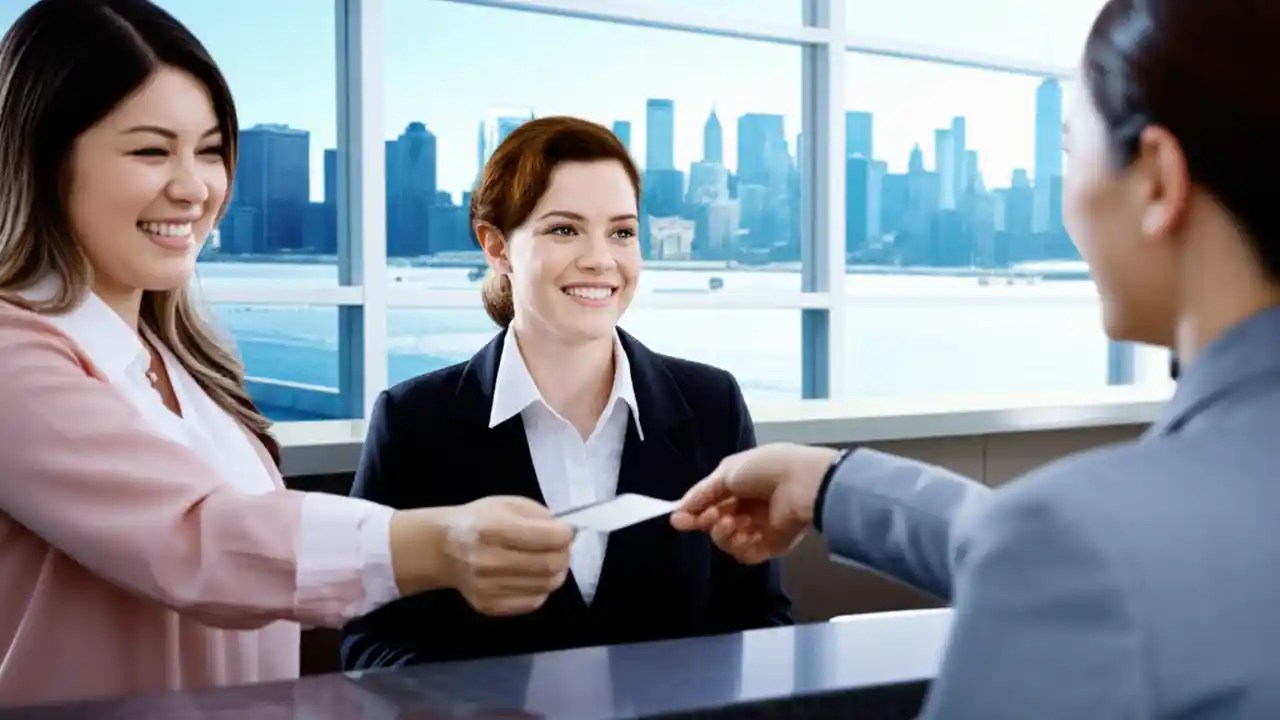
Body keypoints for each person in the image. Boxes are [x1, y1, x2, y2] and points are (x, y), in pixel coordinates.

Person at [673, 0, 1280, 717]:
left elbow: (1093, 563)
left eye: (1067, 150)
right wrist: (836, 484)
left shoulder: (1092, 548)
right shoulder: (1127, 538)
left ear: (1155, 178)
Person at [0, 0, 573, 707]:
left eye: (210, 150)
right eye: (151, 149)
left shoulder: (181, 362)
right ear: (42, 159)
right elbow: (194, 540)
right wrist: (439, 545)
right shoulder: (11, 356)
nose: (194, 187)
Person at [341, 116, 791, 670]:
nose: (601, 259)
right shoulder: (414, 422)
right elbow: (367, 642)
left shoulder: (711, 404)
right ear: (497, 246)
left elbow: (760, 619)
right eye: (564, 230)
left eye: (621, 232)